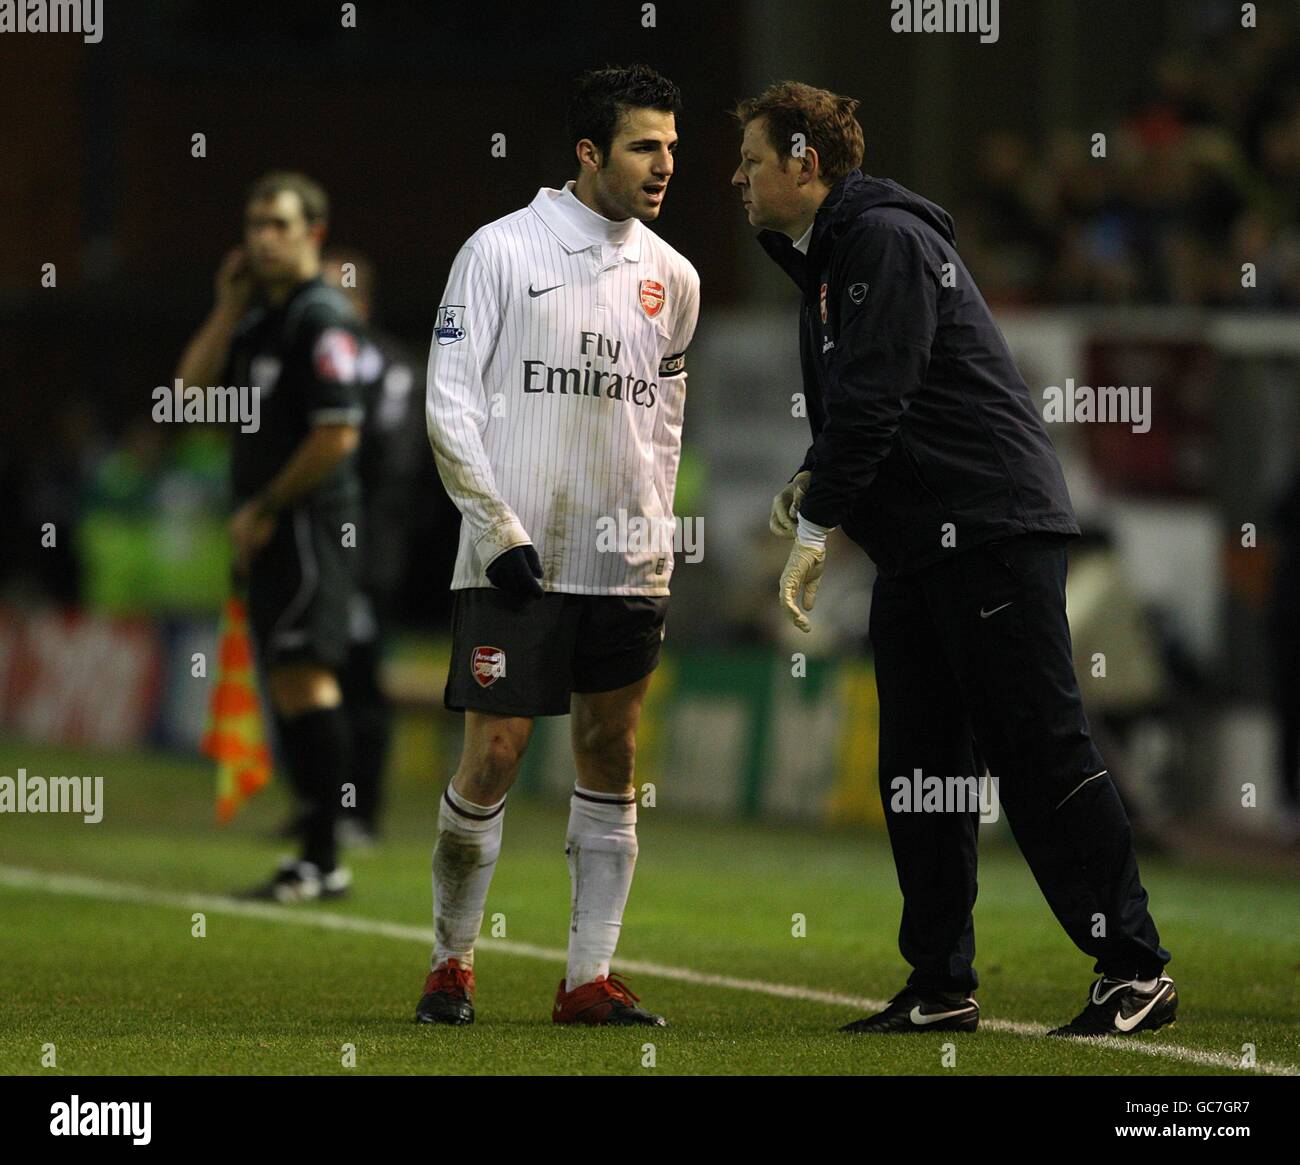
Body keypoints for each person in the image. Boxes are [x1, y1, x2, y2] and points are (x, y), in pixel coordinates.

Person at [732, 81, 1176, 1037]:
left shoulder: (884, 242)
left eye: (752, 160)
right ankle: (939, 983)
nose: (739, 179)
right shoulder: (834, 257)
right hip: (926, 549)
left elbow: (880, 397)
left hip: (986, 531)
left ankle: (1132, 967)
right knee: (921, 770)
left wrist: (816, 534)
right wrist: (815, 478)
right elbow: (866, 400)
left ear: (803, 162)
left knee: (1036, 747)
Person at [418, 64, 698, 1027]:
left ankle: (586, 978)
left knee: (613, 753)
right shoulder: (498, 251)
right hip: (514, 556)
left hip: (623, 563)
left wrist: (657, 539)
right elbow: (448, 401)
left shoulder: (676, 279)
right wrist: (495, 529)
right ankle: (452, 960)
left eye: (670, 145)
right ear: (590, 153)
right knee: (494, 754)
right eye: (642, 146)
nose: (665, 163)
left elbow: (661, 427)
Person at [178, 171, 365, 902]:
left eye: (279, 225)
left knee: (306, 676)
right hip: (272, 531)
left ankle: (326, 852)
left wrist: (265, 506)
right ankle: (314, 851)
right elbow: (188, 395)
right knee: (289, 684)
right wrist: (226, 306)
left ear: (312, 234)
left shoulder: (322, 318)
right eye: (254, 224)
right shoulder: (259, 319)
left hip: (312, 528)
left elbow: (339, 434)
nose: (262, 238)